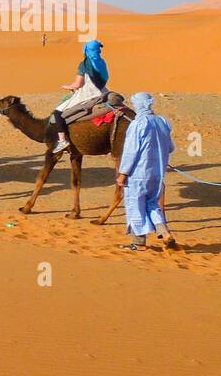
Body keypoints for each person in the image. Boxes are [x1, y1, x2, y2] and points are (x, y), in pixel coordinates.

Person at [117, 93, 175, 250]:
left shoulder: (137, 124)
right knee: (152, 205)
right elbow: (170, 148)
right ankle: (165, 233)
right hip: (157, 174)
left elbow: (131, 151)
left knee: (135, 205)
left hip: (138, 174)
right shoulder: (163, 121)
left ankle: (138, 243)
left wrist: (123, 174)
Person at [49, 39, 109, 154]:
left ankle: (62, 141)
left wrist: (68, 86)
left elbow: (78, 84)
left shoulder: (84, 64)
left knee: (58, 112)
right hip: (103, 92)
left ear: (86, 50)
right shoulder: (102, 62)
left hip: (87, 94)